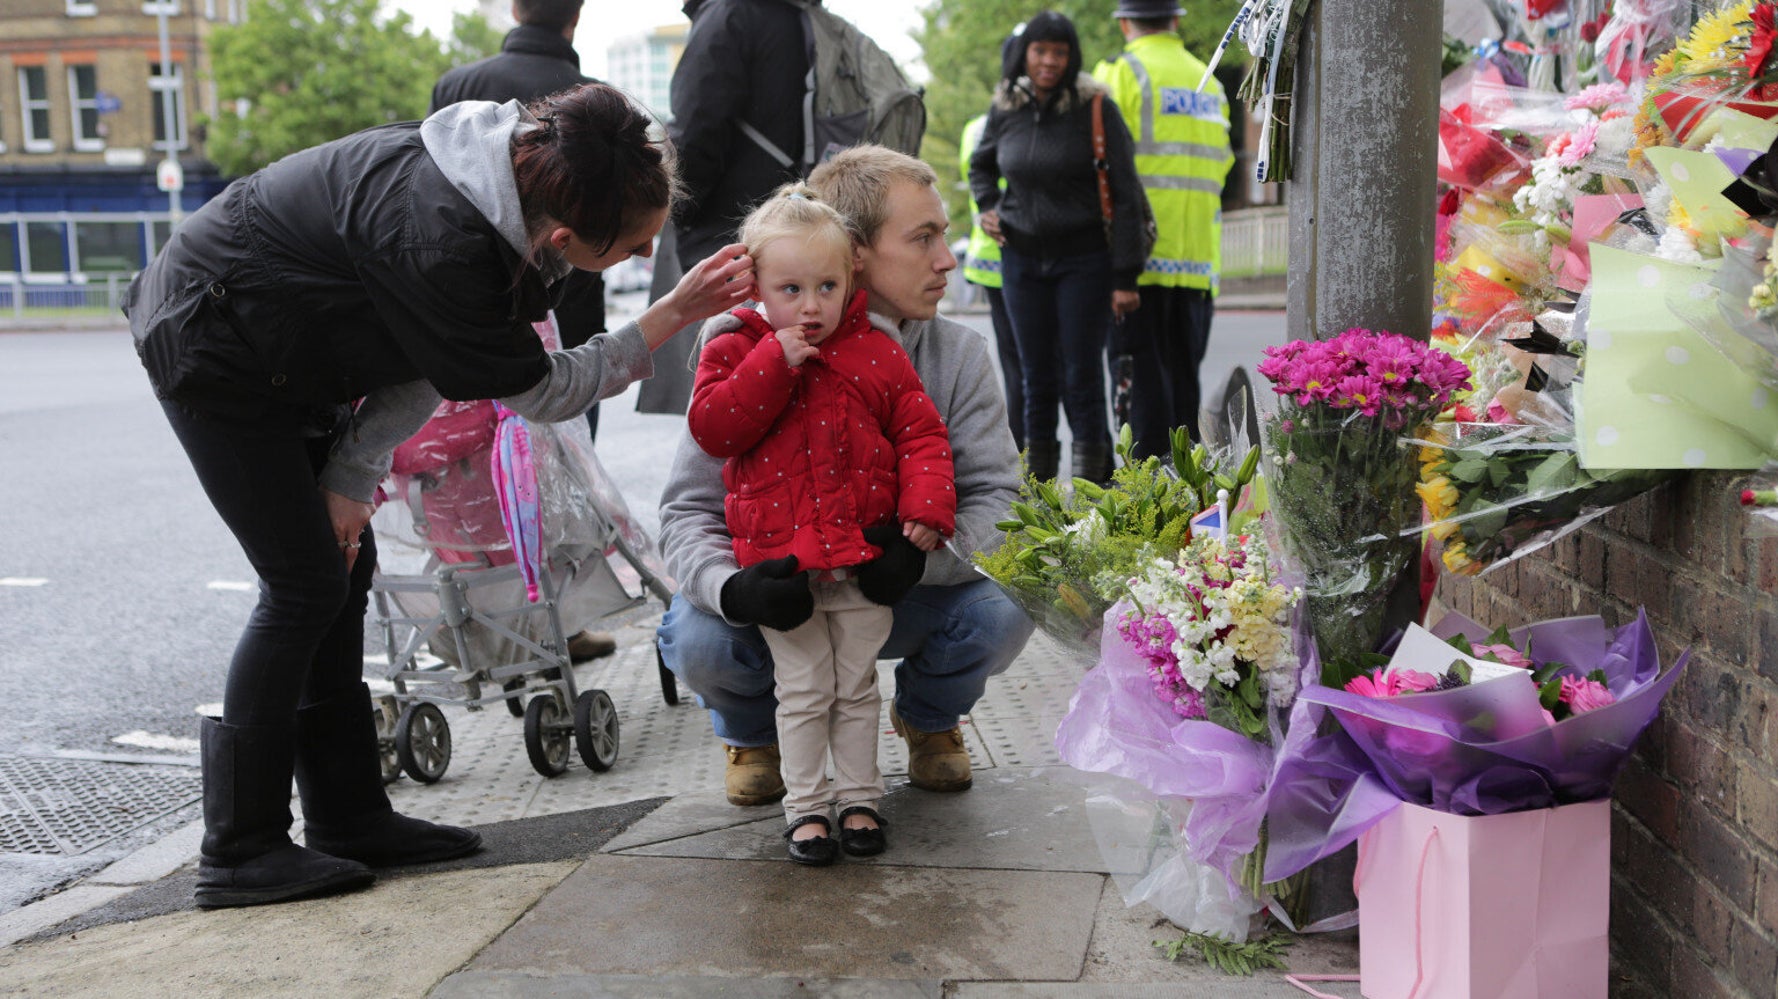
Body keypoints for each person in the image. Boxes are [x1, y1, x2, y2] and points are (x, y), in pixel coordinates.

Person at [124, 83, 755, 909]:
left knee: (343, 572)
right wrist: (671, 313)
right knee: (304, 581)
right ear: (565, 237)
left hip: (291, 348)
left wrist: (351, 476)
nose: (643, 260)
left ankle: (349, 815)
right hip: (215, 346)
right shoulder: (445, 238)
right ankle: (238, 848)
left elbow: (419, 355)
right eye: (636, 245)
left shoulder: (500, 187)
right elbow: (542, 388)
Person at [657, 145, 1034, 814]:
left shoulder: (957, 356)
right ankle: (753, 735)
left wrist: (917, 555)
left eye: (943, 235)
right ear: (853, 251)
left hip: (889, 591)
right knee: (697, 637)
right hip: (787, 594)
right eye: (923, 238)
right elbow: (688, 510)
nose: (947, 258)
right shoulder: (741, 344)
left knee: (1003, 610)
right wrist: (737, 589)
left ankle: (927, 716)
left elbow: (1000, 500)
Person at [688, 184, 957, 865]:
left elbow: (920, 431)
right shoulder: (732, 349)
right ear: (755, 286)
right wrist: (769, 362)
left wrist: (924, 512)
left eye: (827, 286)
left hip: (864, 558)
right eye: (790, 288)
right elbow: (716, 428)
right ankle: (807, 806)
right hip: (787, 567)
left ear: (850, 280)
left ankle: (861, 796)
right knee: (805, 689)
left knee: (858, 684)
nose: (811, 306)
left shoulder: (876, 351)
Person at [431, 0, 618, 663]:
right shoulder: (594, 104)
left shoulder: (455, 87)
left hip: (468, 306)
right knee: (563, 473)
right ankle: (556, 624)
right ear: (577, 13)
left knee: (466, 474)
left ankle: (483, 621)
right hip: (566, 309)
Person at [969, 11, 1148, 484]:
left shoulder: (1095, 107)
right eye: (1040, 51)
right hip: (1021, 259)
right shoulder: (1006, 107)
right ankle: (1038, 495)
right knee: (1035, 379)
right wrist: (988, 205)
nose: (1049, 61)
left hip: (1083, 261)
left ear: (1071, 57)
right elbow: (981, 165)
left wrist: (1126, 276)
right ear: (1025, 54)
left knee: (1081, 377)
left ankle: (1095, 495)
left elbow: (1127, 192)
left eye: (1059, 52)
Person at [1092, 0, 1233, 455]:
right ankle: (1189, 494)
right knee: (1183, 386)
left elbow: (1102, 166)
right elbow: (1223, 165)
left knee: (1141, 391)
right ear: (1176, 19)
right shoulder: (1208, 81)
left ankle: (1149, 501)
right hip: (1197, 262)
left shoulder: (1120, 73)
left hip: (1139, 261)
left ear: (1124, 21)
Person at [667, 0, 809, 275]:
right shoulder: (793, 14)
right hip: (793, 217)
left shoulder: (727, 14)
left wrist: (675, 208)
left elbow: (695, 129)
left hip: (728, 232)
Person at [957, 111, 1024, 452]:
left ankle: (1020, 449)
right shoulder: (1021, 120)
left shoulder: (974, 126)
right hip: (1019, 253)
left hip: (988, 254)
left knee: (1014, 362)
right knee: (1031, 365)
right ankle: (1025, 449)